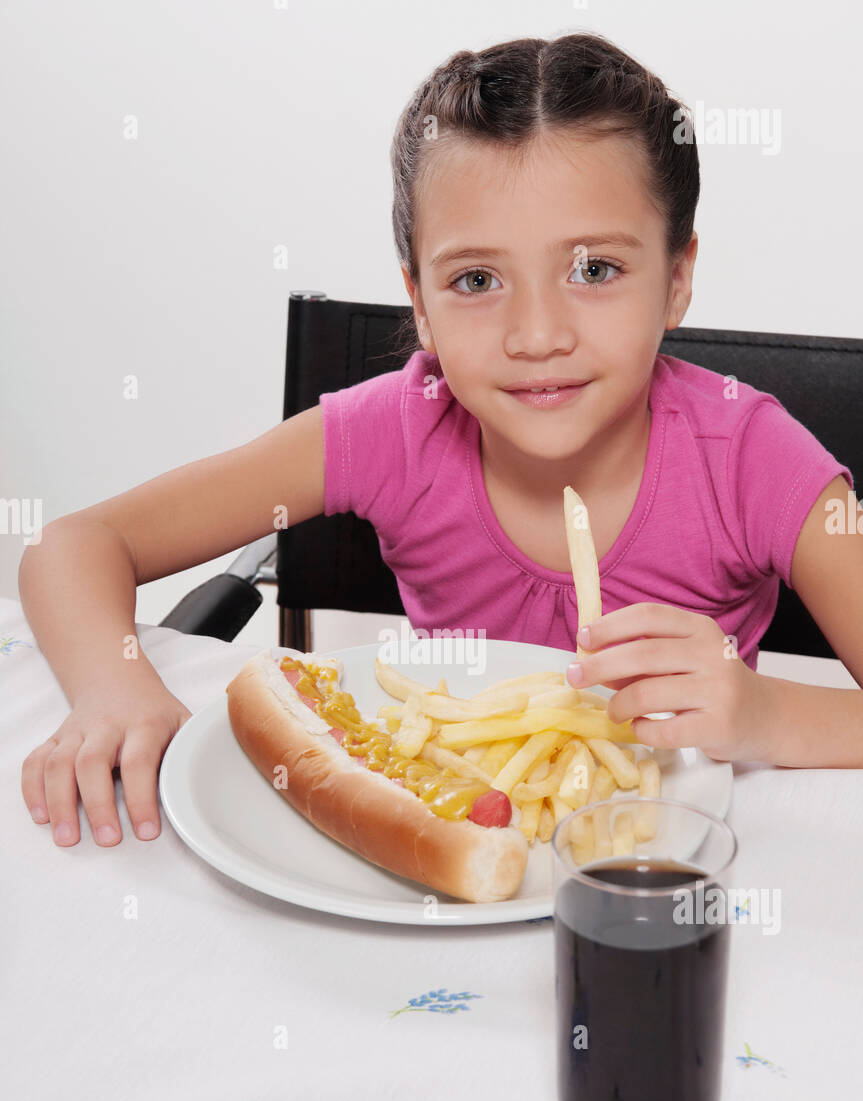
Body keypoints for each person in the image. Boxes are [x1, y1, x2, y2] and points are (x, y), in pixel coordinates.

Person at [17, 32, 863, 851]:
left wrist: (761, 715)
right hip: (446, 850)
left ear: (676, 279)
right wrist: (112, 686)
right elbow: (76, 544)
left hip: (659, 873)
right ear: (418, 303)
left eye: (594, 270)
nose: (536, 335)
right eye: (476, 281)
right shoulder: (395, 429)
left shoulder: (753, 458)